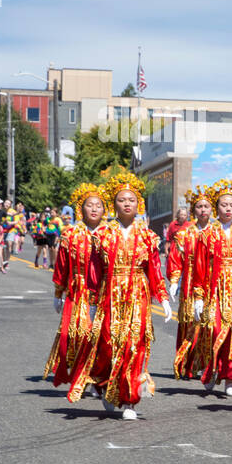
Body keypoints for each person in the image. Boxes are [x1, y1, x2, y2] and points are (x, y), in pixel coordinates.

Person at [81, 172, 172, 419]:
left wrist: (162, 298)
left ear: (139, 203)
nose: (127, 204)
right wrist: (90, 302)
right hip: (109, 296)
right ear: (114, 204)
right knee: (108, 345)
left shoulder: (148, 236)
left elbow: (154, 270)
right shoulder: (102, 236)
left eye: (131, 199)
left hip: (137, 297)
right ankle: (106, 387)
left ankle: (130, 400)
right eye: (122, 200)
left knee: (134, 346)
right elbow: (94, 272)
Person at [192, 179, 232, 397]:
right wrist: (198, 296)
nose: (228, 209)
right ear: (216, 208)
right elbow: (199, 266)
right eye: (223, 205)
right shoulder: (207, 234)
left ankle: (231, 378)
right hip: (214, 289)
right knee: (213, 329)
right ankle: (210, 372)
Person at [45, 184, 107, 395]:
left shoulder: (111, 234)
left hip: (106, 294)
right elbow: (61, 267)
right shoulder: (70, 235)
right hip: (78, 294)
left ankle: (99, 379)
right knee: (80, 337)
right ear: (81, 208)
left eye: (98, 205)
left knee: (101, 338)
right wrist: (58, 294)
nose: (94, 209)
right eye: (89, 205)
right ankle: (83, 375)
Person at [168, 188, 213, 381]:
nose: (203, 210)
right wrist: (174, 281)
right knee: (189, 322)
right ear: (194, 210)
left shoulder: (217, 232)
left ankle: (206, 365)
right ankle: (186, 364)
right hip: (190, 283)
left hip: (212, 283)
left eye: (206, 206)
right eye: (199, 206)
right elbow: (176, 260)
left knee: (208, 325)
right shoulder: (185, 234)